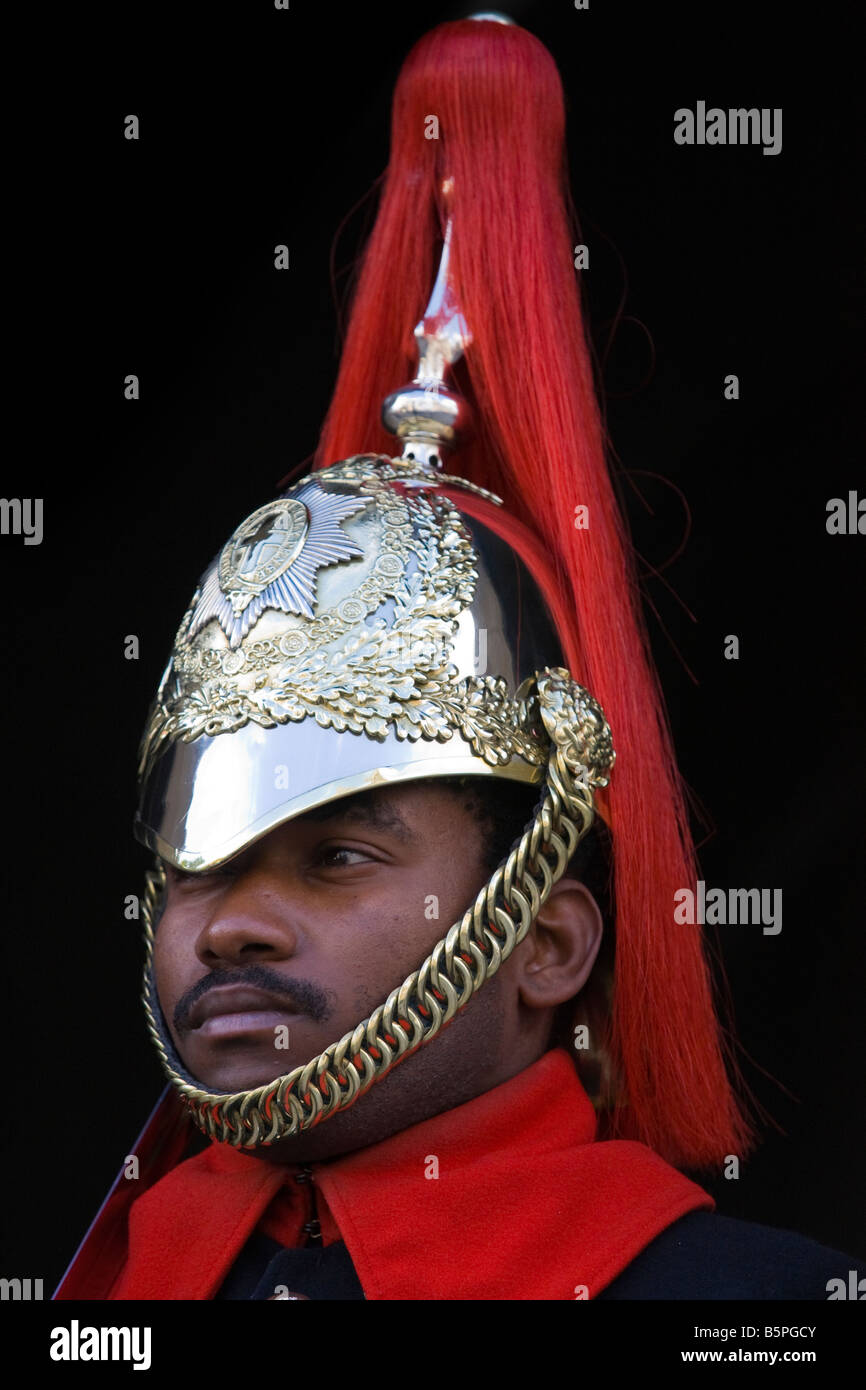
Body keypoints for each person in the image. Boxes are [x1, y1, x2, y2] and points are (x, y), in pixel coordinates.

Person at [54, 15, 856, 1302]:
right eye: (194, 866)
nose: (229, 927)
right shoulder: (116, 1279)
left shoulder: (752, 1309)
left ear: (545, 940)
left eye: (337, 855)